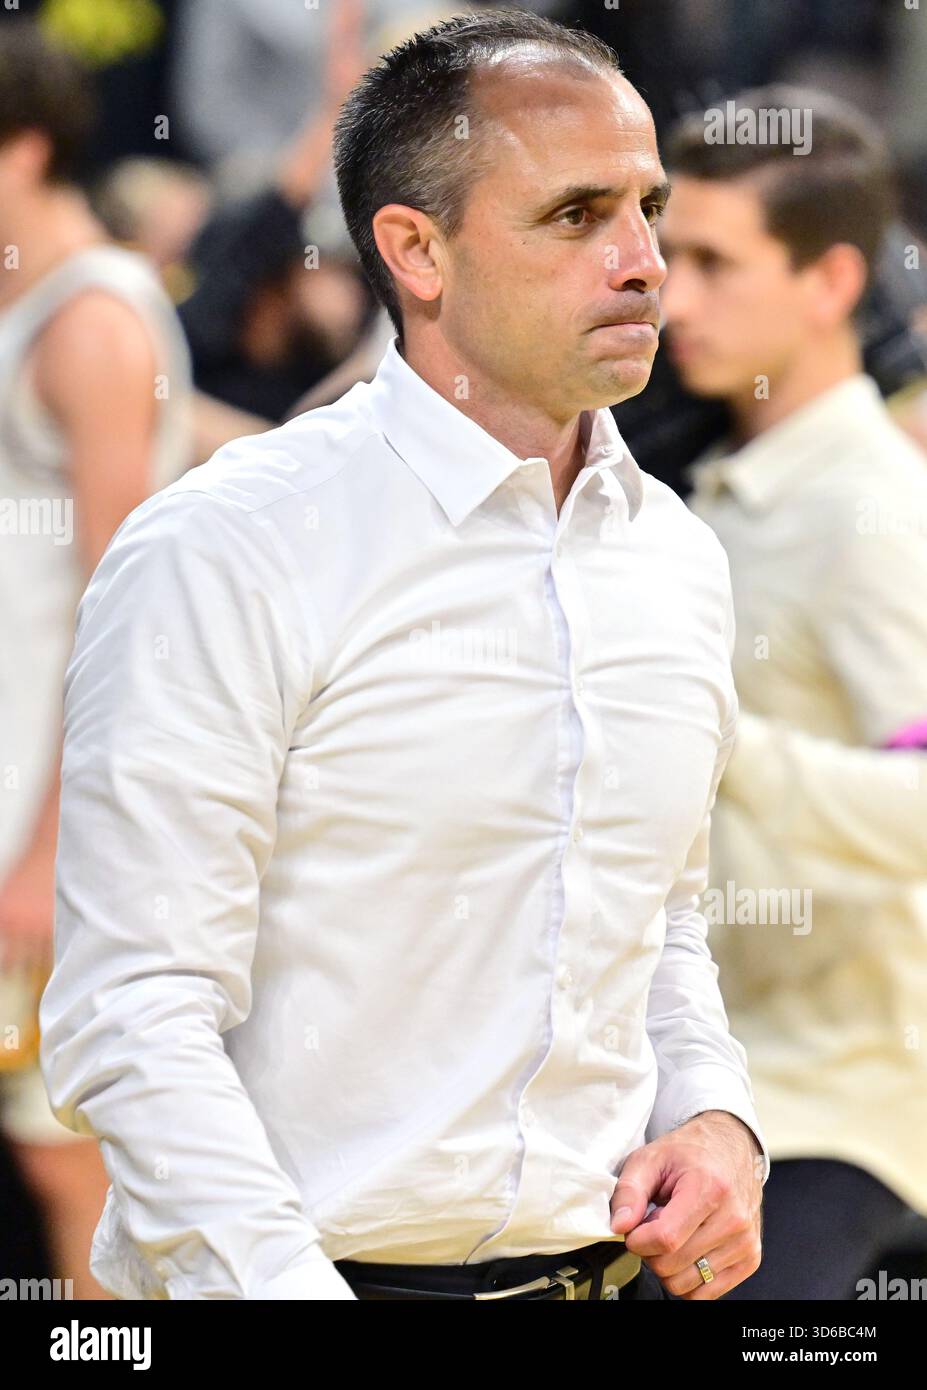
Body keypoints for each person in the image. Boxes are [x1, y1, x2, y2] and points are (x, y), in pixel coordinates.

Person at [39, 8, 768, 1302]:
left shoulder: (674, 557)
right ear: (413, 250)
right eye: (575, 215)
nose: (644, 261)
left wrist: (714, 1117)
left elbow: (656, 918)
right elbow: (131, 1015)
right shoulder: (231, 548)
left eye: (646, 208)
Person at [658, 85, 927, 1299]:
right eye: (669, 257)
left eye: (717, 263)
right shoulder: (721, 477)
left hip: (840, 1111)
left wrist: (723, 742)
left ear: (829, 283)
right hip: (719, 1084)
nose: (676, 296)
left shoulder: (871, 514)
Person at [0, 20, 193, 1297]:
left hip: (52, 817)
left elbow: (122, 611)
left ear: (21, 150)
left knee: (74, 1160)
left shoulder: (91, 323)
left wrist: (54, 848)